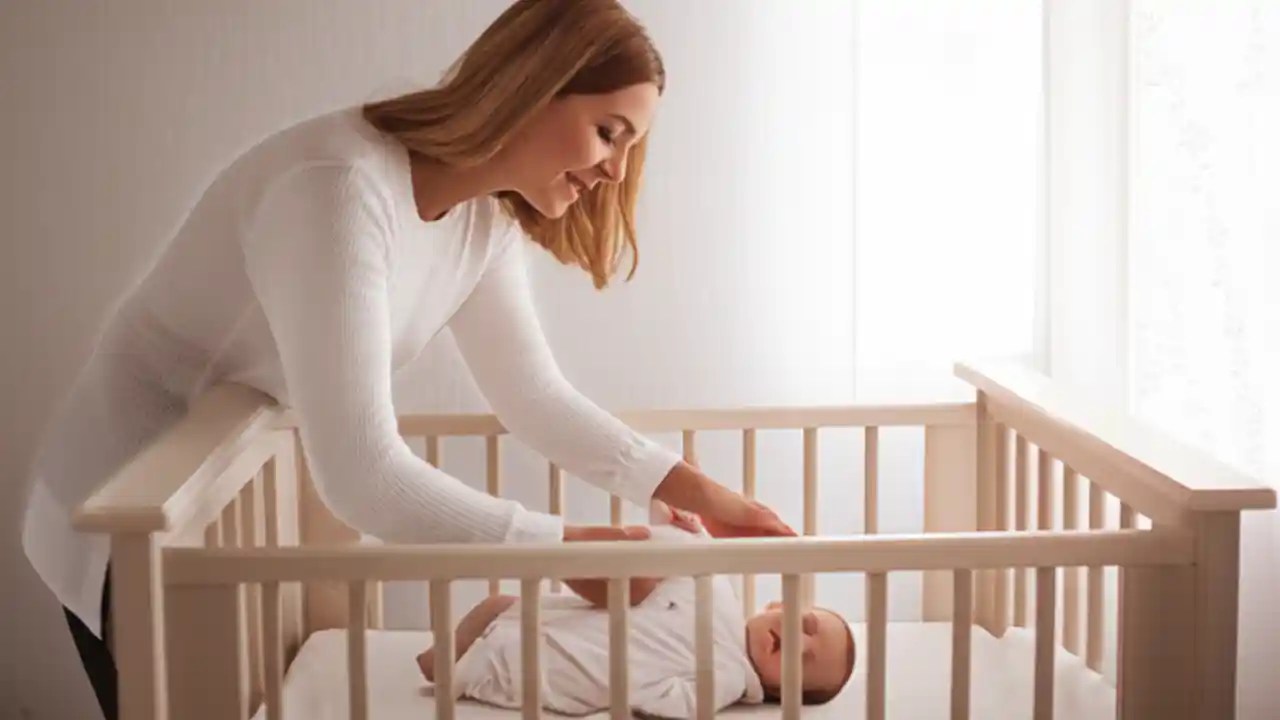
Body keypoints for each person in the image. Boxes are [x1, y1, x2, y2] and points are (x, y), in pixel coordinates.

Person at [19, 2, 795, 718]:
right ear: (534, 87)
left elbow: (532, 396)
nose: (615, 173)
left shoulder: (482, 217)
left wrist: (715, 498)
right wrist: (561, 550)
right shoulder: (338, 189)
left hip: (223, 488)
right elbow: (362, 471)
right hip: (133, 494)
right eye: (608, 133)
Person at [417, 503, 855, 718]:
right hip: (580, 619)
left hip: (579, 665)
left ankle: (445, 666)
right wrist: (688, 527)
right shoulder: (722, 591)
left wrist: (641, 707)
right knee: (503, 605)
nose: (798, 642)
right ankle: (451, 650)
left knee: (502, 659)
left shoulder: (728, 677)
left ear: (782, 692)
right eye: (805, 627)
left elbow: (679, 706)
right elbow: (690, 561)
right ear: (778, 604)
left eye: (803, 660)